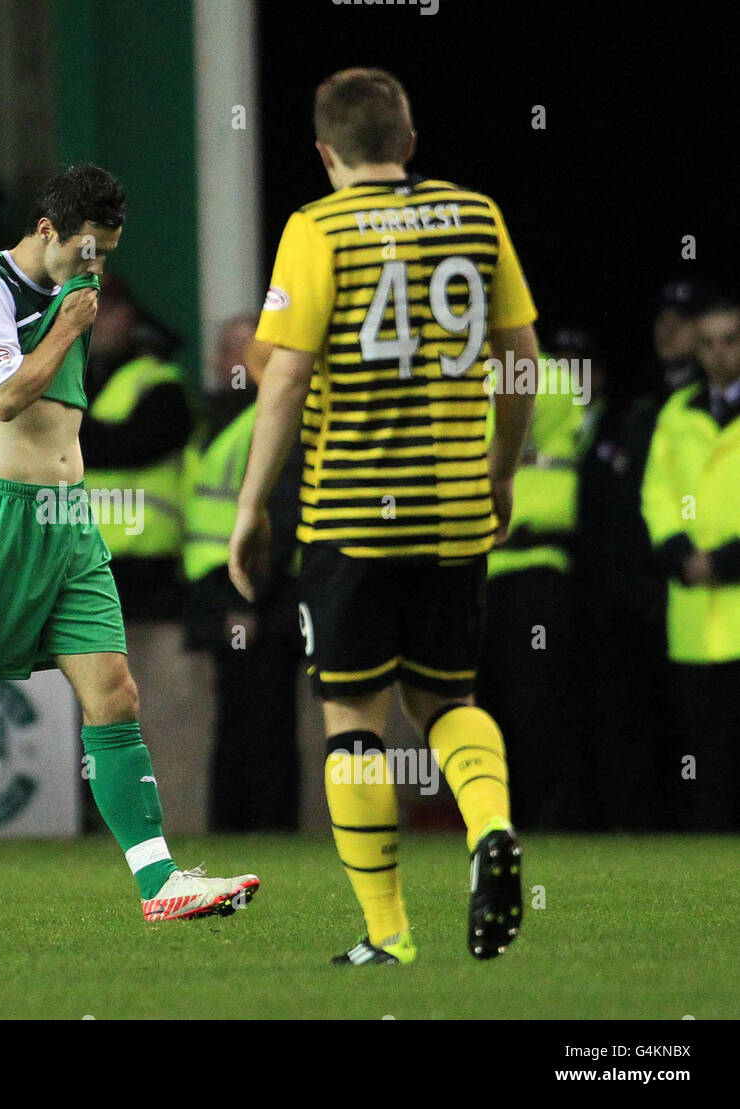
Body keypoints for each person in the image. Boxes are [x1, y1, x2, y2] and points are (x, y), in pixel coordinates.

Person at [0, 164, 260, 927]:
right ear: (45, 232)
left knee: (115, 691)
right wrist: (67, 319)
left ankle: (159, 881)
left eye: (107, 254)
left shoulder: (77, 291)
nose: (96, 268)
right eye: (86, 251)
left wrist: (74, 305)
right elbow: (2, 397)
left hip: (69, 521)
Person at [230, 68, 537, 965]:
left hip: (351, 514)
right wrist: (500, 473)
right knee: (448, 696)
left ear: (326, 154)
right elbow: (519, 355)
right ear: (409, 141)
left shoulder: (316, 227)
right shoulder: (476, 215)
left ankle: (389, 931)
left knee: (352, 715)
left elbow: (283, 375)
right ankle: (488, 827)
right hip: (449, 512)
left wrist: (253, 503)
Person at [183, 316, 305, 831]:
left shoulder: (270, 417)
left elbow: (280, 512)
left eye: (238, 350)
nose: (223, 362)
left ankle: (270, 830)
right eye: (223, 350)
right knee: (237, 719)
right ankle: (233, 829)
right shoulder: (220, 417)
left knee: (265, 721)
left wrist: (249, 602)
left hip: (259, 600)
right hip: (221, 594)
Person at [641, 294, 740, 831]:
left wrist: (726, 560)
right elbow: (658, 494)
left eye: (731, 340)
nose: (720, 354)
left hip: (733, 592)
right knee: (703, 756)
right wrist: (680, 554)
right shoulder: (678, 413)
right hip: (696, 620)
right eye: (708, 343)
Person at [476, 349, 586, 829]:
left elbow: (517, 423)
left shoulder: (554, 377)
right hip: (480, 572)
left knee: (535, 705)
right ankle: (494, 821)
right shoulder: (470, 375)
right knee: (485, 707)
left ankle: (545, 819)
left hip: (537, 566)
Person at [569, 327, 672, 830]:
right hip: (568, 597)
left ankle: (639, 822)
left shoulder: (625, 428)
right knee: (579, 720)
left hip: (621, 601)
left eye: (582, 368)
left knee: (632, 719)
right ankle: (588, 821)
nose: (572, 379)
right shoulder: (543, 428)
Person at [81, 275, 195, 620]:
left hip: (147, 565)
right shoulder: (69, 380)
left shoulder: (160, 383)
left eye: (109, 311)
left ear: (131, 318)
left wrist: (66, 435)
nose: (98, 322)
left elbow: (132, 446)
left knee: (149, 671)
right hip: (80, 563)